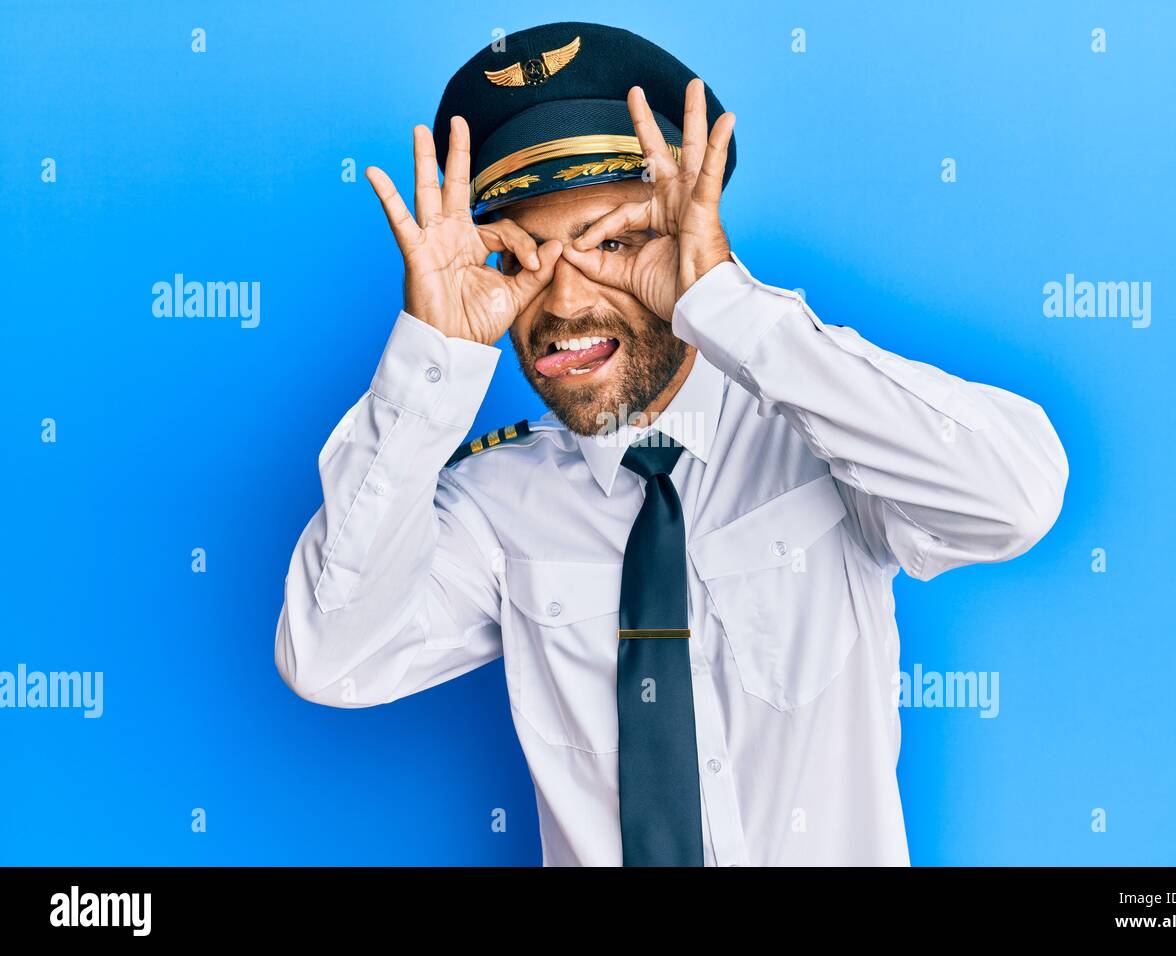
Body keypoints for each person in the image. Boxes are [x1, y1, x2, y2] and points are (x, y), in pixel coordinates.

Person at [274, 21, 1068, 866]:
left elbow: (1013, 501)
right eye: (527, 258)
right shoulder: (493, 504)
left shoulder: (831, 442)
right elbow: (331, 657)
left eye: (612, 242)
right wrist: (436, 354)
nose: (566, 300)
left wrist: (729, 305)